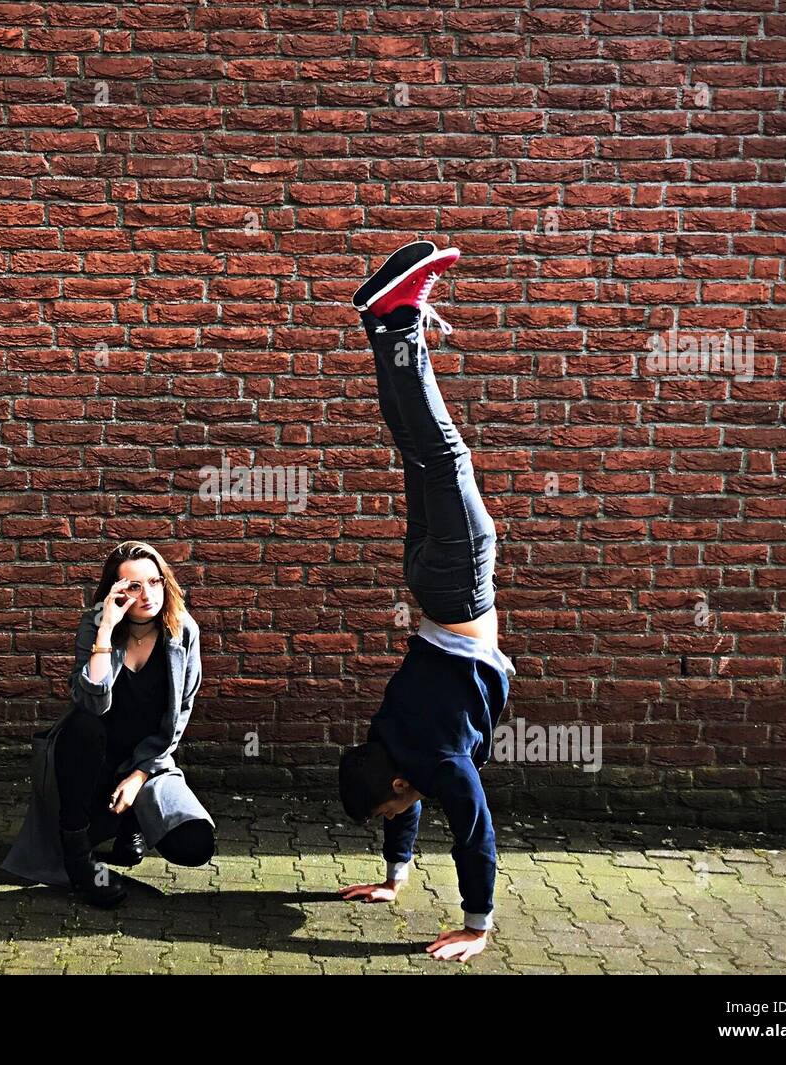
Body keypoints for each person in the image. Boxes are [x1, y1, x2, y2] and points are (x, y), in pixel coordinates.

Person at [336, 240, 515, 962]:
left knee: (444, 455)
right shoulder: (391, 737)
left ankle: (395, 323)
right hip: (429, 584)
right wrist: (394, 875)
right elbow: (401, 799)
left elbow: (474, 829)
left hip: (458, 586)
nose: (398, 817)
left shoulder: (436, 762)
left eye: (392, 808)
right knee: (417, 451)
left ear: (402, 781)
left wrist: (477, 923)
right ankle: (385, 327)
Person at [2, 540, 215, 908]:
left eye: (153, 581)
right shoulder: (96, 625)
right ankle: (77, 857)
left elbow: (179, 717)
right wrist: (106, 631)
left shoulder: (183, 631)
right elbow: (91, 702)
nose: (147, 594)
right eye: (133, 586)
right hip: (89, 757)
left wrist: (140, 776)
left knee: (195, 845)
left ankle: (130, 823)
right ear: (115, 591)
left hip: (147, 760)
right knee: (85, 723)